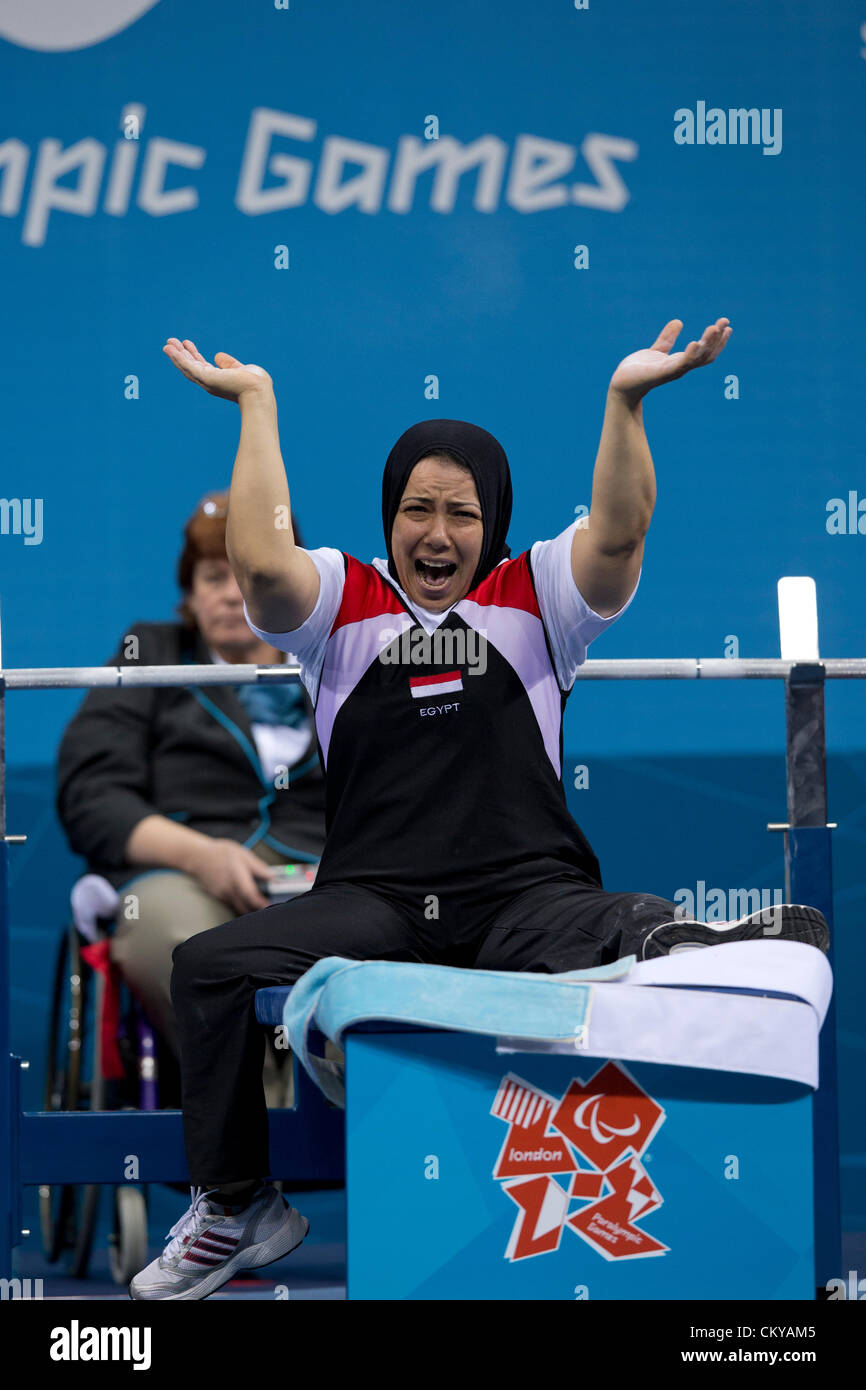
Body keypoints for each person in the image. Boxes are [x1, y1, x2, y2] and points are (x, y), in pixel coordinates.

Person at [129, 320, 828, 1300]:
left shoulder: (541, 594)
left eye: (459, 512)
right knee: (206, 965)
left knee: (628, 923)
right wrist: (256, 405)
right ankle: (240, 1202)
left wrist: (623, 403)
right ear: (388, 516)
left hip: (521, 898)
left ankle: (705, 953)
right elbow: (259, 564)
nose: (436, 532)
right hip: (374, 903)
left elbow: (618, 531)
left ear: (491, 519)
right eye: (416, 509)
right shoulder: (339, 602)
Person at [56, 492, 327, 1101]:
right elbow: (90, 793)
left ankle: (360, 1121)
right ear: (190, 591)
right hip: (183, 880)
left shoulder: (336, 660)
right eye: (212, 577)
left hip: (322, 885)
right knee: (180, 940)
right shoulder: (150, 656)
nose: (231, 594)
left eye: (247, 573)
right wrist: (202, 855)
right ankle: (254, 1146)